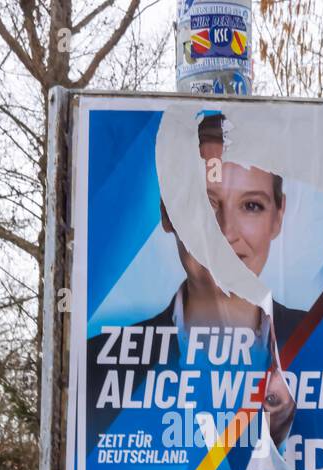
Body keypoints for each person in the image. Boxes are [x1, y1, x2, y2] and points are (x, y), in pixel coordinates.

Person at [88, 112, 301, 447]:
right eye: (204, 203)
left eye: (252, 206)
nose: (226, 233)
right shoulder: (97, 367)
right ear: (167, 212)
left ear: (278, 216)